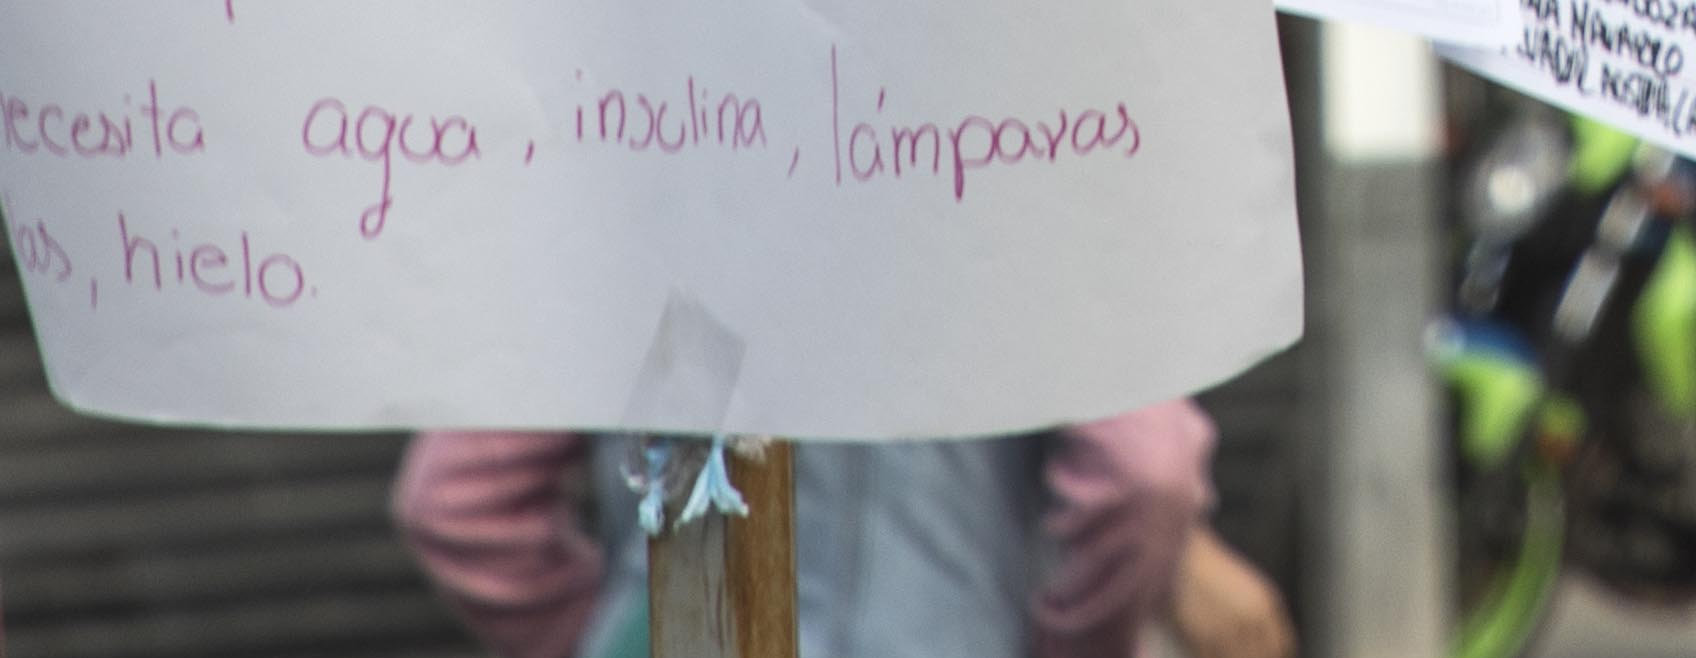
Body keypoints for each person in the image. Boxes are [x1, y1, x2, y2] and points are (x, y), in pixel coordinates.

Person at [394, 413, 1288, 658]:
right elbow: (1144, 474)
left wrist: (619, 638)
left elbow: (454, 500)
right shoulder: (994, 174)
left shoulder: (634, 180)